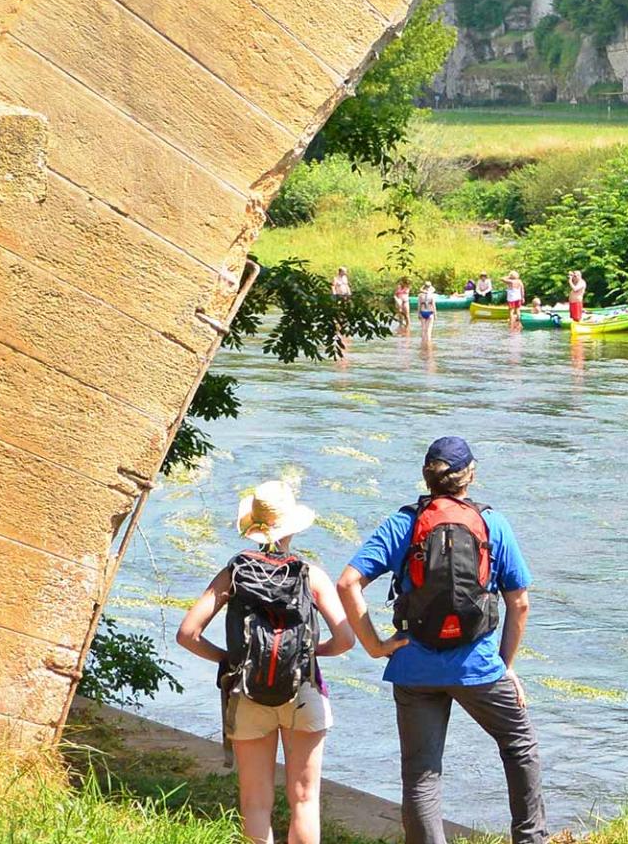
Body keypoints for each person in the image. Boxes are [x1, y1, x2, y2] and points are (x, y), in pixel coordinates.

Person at [337, 438, 544, 844]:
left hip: (414, 667)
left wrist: (376, 646)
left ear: (426, 477)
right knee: (520, 745)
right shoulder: (492, 523)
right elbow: (519, 603)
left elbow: (347, 583)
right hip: (479, 666)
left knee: (422, 773)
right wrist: (507, 666)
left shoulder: (404, 524)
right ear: (471, 476)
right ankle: (530, 839)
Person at [178, 481, 355, 844]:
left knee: (255, 802)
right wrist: (309, 652)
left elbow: (188, 633)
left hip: (247, 694)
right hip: (303, 692)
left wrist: (229, 660)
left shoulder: (235, 573)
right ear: (291, 526)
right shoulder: (310, 574)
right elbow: (346, 639)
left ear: (255, 526)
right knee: (304, 799)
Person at [417, 281, 437, 348]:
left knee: (423, 330)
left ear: (424, 286)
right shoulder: (432, 295)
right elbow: (433, 305)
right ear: (430, 287)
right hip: (430, 312)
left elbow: (419, 305)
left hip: (422, 312)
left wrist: (418, 314)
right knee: (429, 331)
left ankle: (423, 345)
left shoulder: (420, 295)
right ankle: (428, 346)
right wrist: (435, 314)